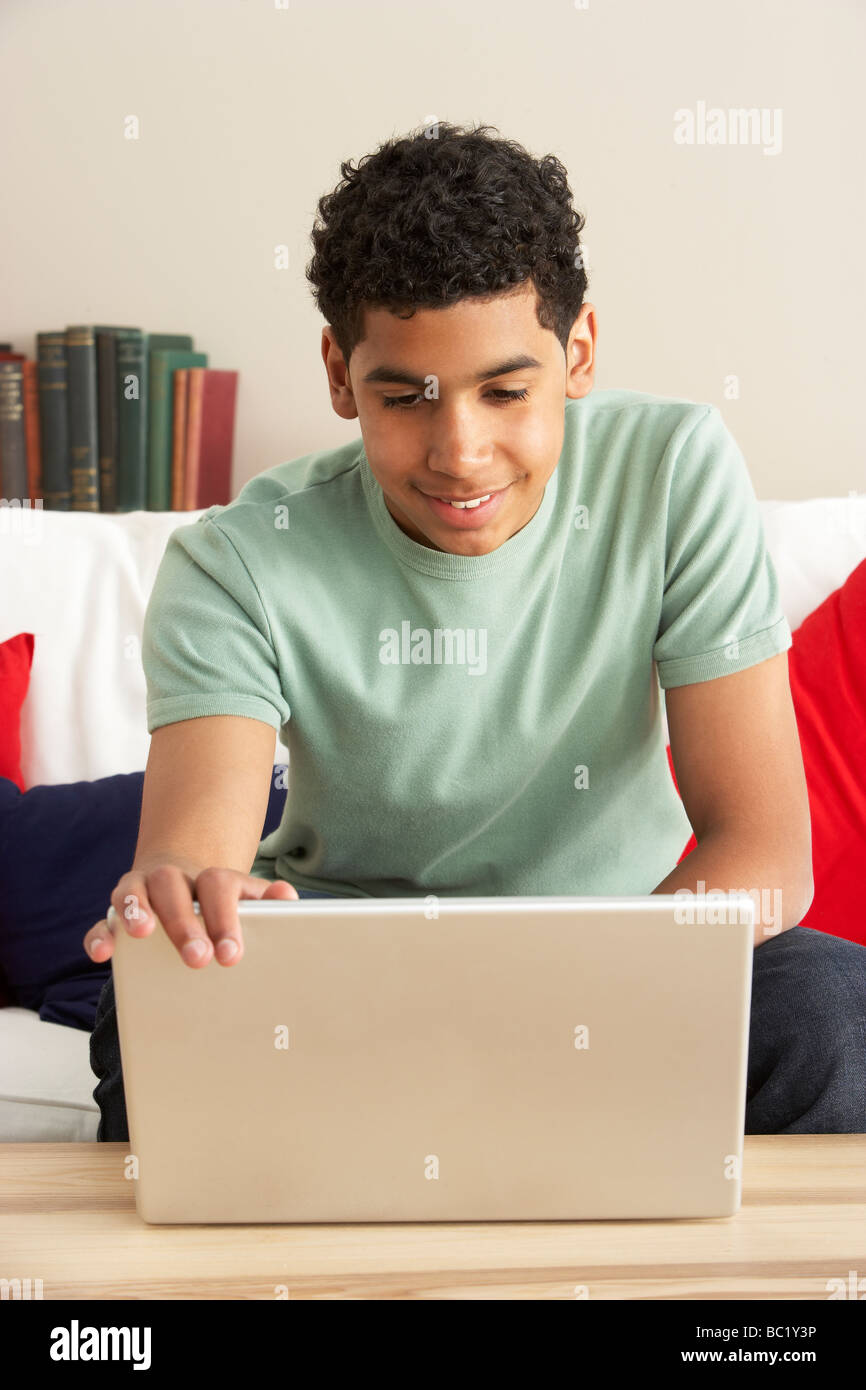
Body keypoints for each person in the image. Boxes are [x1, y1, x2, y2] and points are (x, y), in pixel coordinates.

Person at [87, 121, 866, 1142]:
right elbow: (194, 860)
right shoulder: (238, 559)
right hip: (352, 975)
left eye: (505, 390)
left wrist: (567, 1001)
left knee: (829, 1007)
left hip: (633, 957)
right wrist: (189, 908)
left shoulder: (674, 470)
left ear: (576, 351)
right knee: (144, 1019)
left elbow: (762, 850)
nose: (460, 452)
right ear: (337, 372)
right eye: (404, 396)